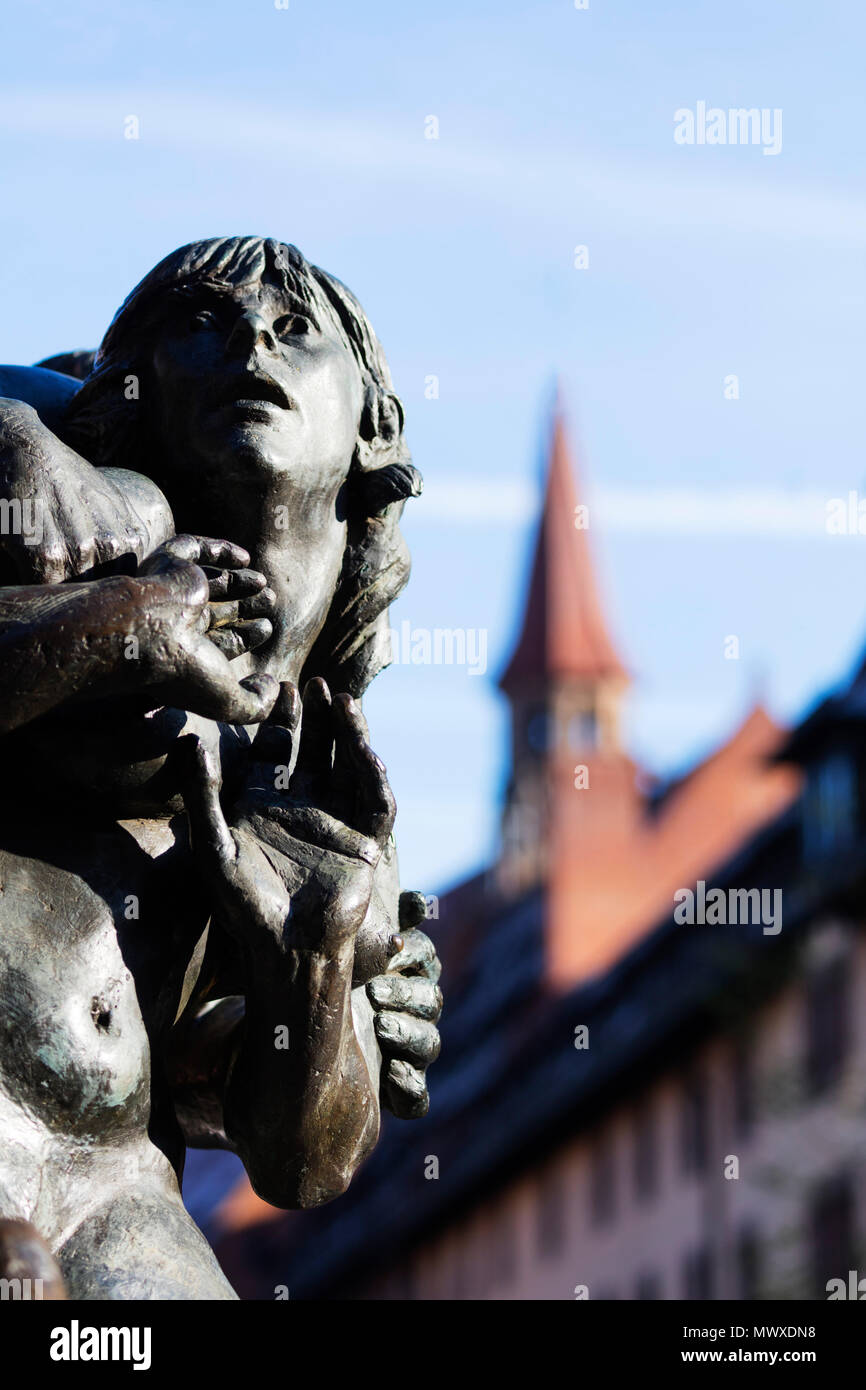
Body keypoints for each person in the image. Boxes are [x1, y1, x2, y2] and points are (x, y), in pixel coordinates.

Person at [0, 237, 442, 1299]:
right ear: (123, 395)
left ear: (370, 423)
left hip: (113, 1194)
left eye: (296, 331)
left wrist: (316, 968)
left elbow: (303, 1165)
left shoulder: (317, 770)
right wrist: (118, 626)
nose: (251, 340)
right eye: (202, 324)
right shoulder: (51, 524)